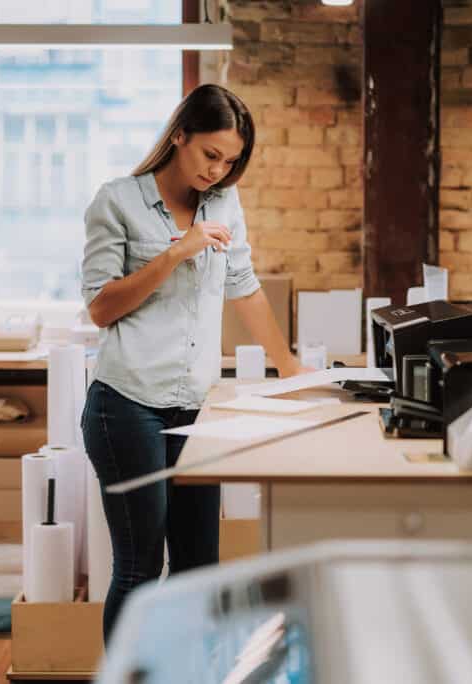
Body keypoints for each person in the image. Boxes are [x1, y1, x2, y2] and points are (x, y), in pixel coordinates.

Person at [80, 83, 307, 641]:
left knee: (199, 569)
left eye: (230, 161)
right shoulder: (118, 200)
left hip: (194, 411)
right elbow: (101, 308)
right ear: (179, 135)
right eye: (211, 155)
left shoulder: (225, 203)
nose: (217, 170)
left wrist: (290, 367)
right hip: (126, 404)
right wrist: (178, 250)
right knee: (140, 570)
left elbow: (244, 286)